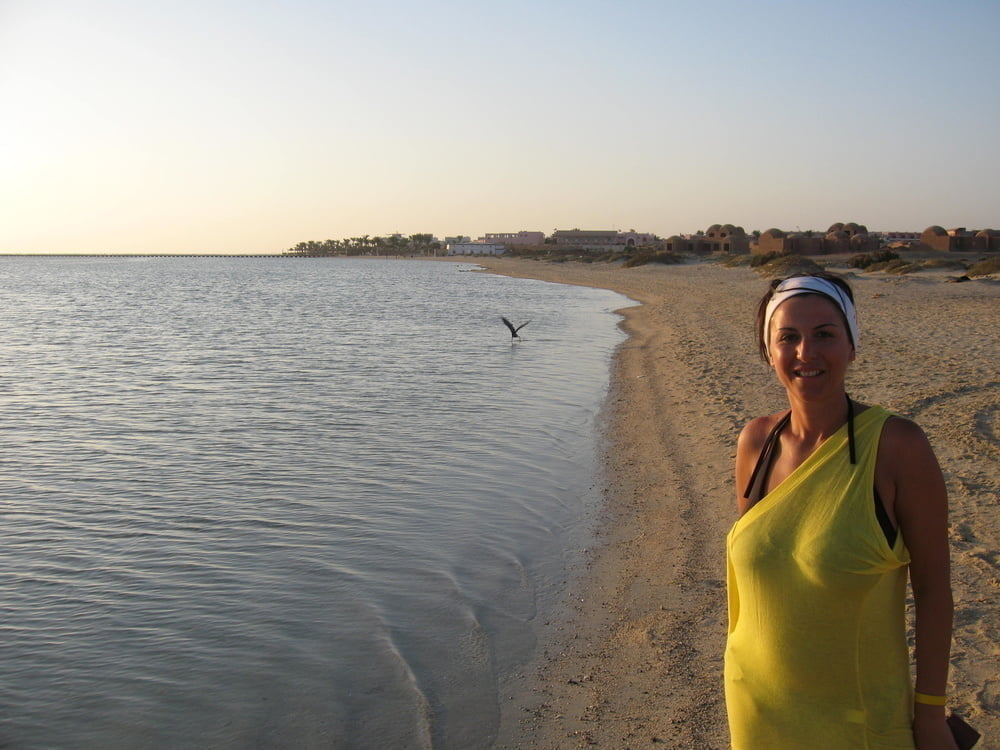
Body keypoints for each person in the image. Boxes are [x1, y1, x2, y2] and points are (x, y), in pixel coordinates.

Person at [725, 272, 957, 749]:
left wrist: (931, 715)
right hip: (756, 712)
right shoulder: (756, 442)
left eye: (825, 334)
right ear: (768, 351)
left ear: (852, 345)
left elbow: (934, 592)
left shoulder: (897, 446)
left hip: (859, 722)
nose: (805, 352)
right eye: (788, 337)